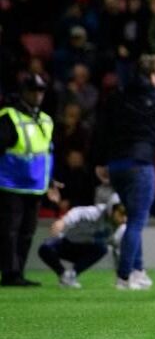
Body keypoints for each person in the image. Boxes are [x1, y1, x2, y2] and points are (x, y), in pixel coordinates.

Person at [92, 54, 155, 290]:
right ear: (153, 74)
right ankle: (124, 275)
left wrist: (100, 161)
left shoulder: (116, 97)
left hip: (117, 166)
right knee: (137, 222)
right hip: (141, 165)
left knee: (131, 219)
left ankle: (138, 270)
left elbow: (101, 129)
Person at [0, 73, 61, 286]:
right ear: (23, 91)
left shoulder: (45, 119)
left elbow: (46, 153)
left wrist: (50, 180)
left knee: (26, 232)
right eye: (33, 90)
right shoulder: (9, 116)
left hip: (35, 186)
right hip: (11, 184)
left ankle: (18, 272)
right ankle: (10, 273)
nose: (38, 94)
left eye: (41, 90)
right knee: (9, 231)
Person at [38, 195, 126, 289]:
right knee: (45, 248)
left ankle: (71, 275)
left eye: (127, 214)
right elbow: (78, 212)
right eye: (121, 213)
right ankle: (63, 274)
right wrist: (63, 222)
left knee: (102, 248)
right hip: (69, 243)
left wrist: (121, 277)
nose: (124, 218)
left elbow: (119, 253)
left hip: (88, 251)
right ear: (112, 208)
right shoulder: (97, 212)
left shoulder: (122, 229)